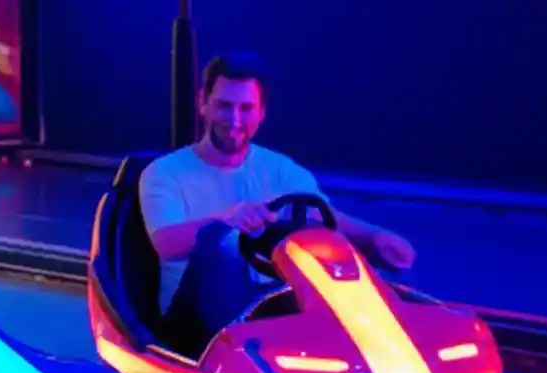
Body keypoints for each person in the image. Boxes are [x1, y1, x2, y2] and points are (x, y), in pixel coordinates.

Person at [139, 52, 417, 350]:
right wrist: (226, 220)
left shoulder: (280, 170)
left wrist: (372, 237)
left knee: (322, 255)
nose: (234, 120)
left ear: (261, 113)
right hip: (193, 322)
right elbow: (166, 243)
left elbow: (322, 216)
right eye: (223, 106)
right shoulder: (165, 173)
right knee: (223, 250)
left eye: (245, 108)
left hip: (271, 310)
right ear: (202, 104)